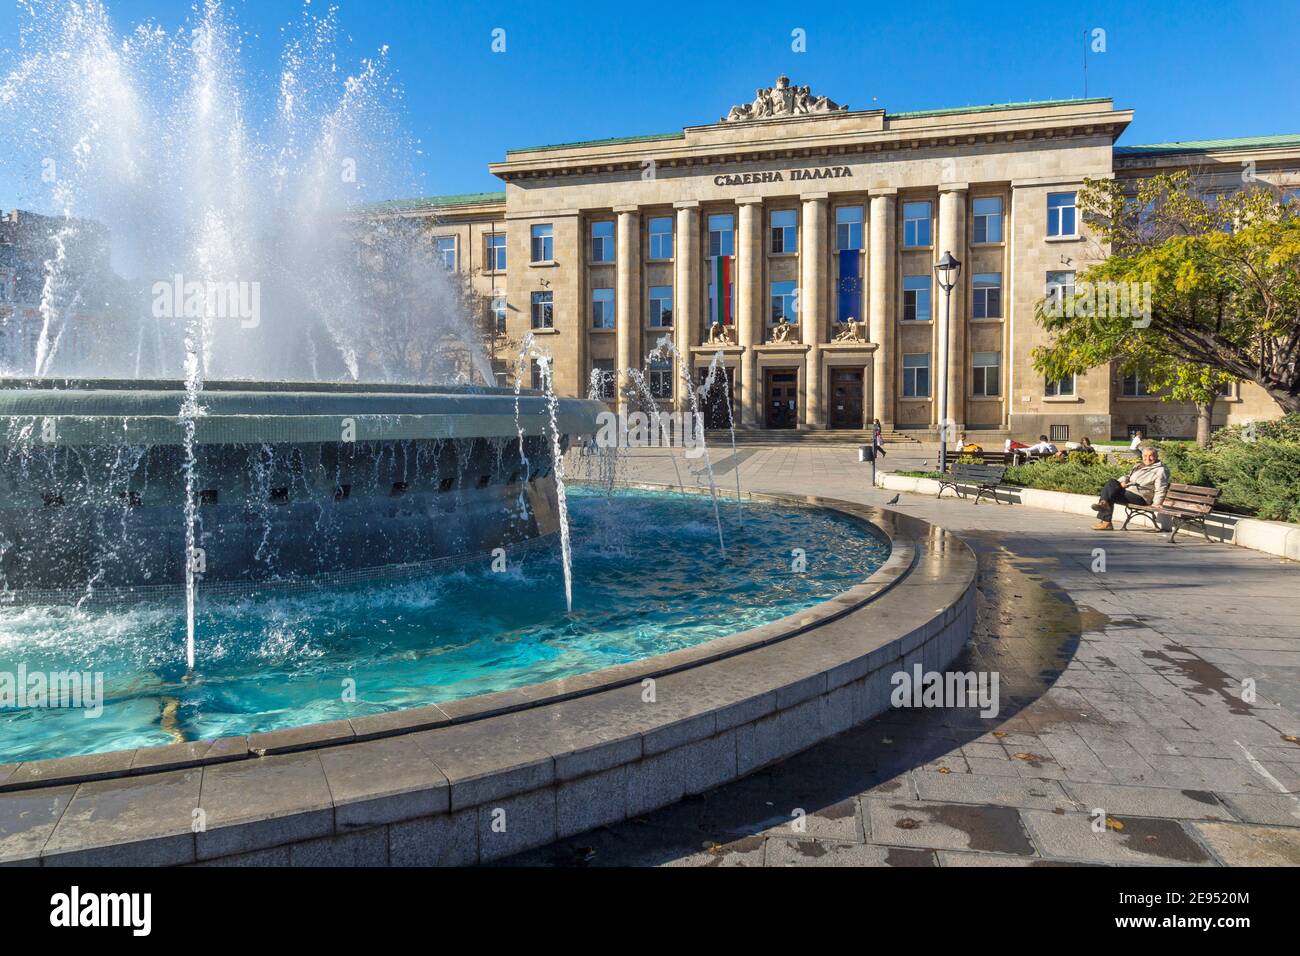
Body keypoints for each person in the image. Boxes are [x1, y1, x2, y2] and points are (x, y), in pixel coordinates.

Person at [1091, 446, 1170, 530]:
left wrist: (1157, 503)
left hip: (1141, 497)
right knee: (1111, 483)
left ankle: (1106, 521)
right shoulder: (1139, 466)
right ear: (1142, 456)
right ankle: (1104, 507)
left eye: (1151, 456)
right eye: (1145, 456)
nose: (1148, 458)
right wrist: (1123, 482)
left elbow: (1161, 488)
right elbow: (1128, 476)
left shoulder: (1160, 470)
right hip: (1129, 491)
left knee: (1110, 494)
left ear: (1156, 457)